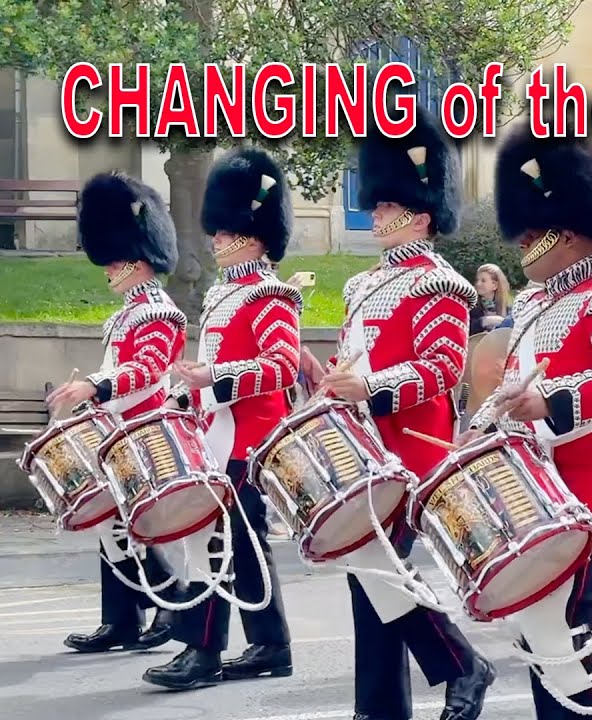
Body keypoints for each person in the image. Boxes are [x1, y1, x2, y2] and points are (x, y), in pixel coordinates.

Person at [301, 94, 494, 720]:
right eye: (379, 202)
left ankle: (462, 664)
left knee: (380, 568)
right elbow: (361, 356)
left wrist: (372, 386)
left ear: (421, 215)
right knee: (370, 576)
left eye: (388, 204)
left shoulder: (439, 281)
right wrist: (337, 378)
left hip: (414, 448)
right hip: (366, 446)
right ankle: (381, 704)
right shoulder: (362, 284)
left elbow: (441, 369)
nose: (377, 210)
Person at [459, 127, 592, 720]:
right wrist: (483, 424)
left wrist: (550, 400)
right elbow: (519, 387)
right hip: (540, 494)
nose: (521, 242)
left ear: (566, 233)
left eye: (533, 231)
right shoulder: (537, 303)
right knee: (551, 645)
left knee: (571, 642)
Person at [142, 147, 298, 690]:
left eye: (224, 231)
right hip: (220, 434)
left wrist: (215, 378)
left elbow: (279, 367)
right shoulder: (224, 294)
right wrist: (193, 389)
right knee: (244, 545)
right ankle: (270, 644)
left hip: (249, 440)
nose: (214, 239)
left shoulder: (271, 295)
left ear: (250, 235)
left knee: (217, 542)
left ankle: (202, 650)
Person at [49, 171, 185, 655]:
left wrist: (95, 385)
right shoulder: (127, 312)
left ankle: (174, 598)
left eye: (115, 260)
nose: (107, 269)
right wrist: (89, 392)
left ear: (138, 260)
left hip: (143, 434)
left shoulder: (159, 311)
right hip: (116, 430)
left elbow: (147, 371)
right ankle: (122, 619)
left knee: (131, 525)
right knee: (112, 528)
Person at [470, 263, 511, 333]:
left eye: (483, 281)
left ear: (494, 285)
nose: (478, 284)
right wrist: (483, 322)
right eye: (477, 280)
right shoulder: (471, 306)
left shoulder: (508, 311)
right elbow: (464, 328)